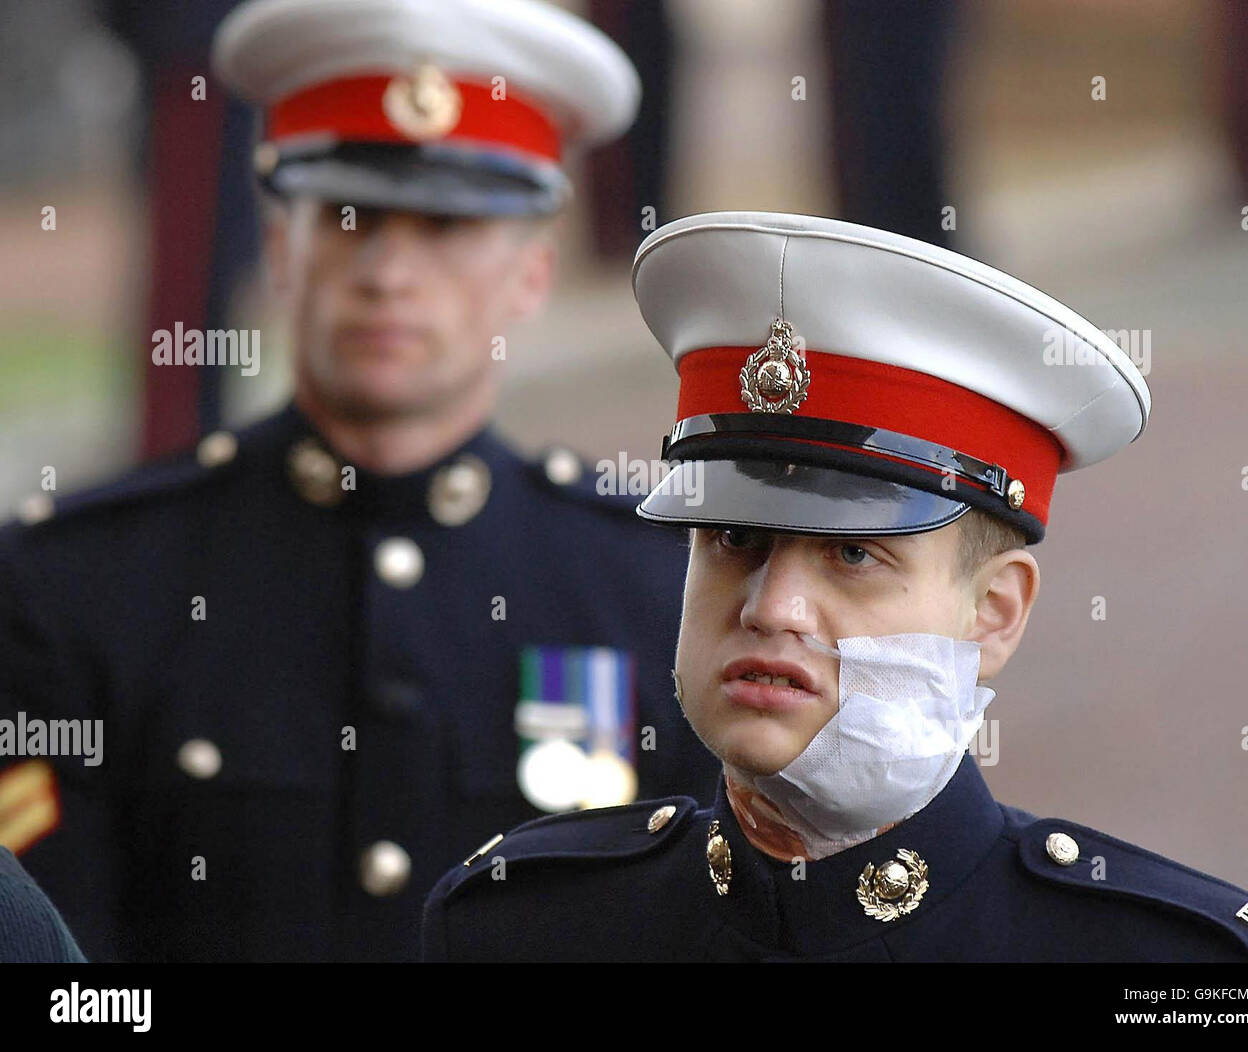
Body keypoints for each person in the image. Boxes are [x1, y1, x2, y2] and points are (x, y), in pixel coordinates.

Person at [0, 0, 717, 963]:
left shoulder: (651, 589)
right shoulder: (76, 586)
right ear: (284, 248)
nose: (390, 271)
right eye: (354, 218)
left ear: (532, 276)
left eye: (448, 226)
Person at [423, 211, 1248, 962]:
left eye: (853, 556)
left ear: (993, 614)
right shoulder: (523, 926)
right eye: (736, 538)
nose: (771, 607)